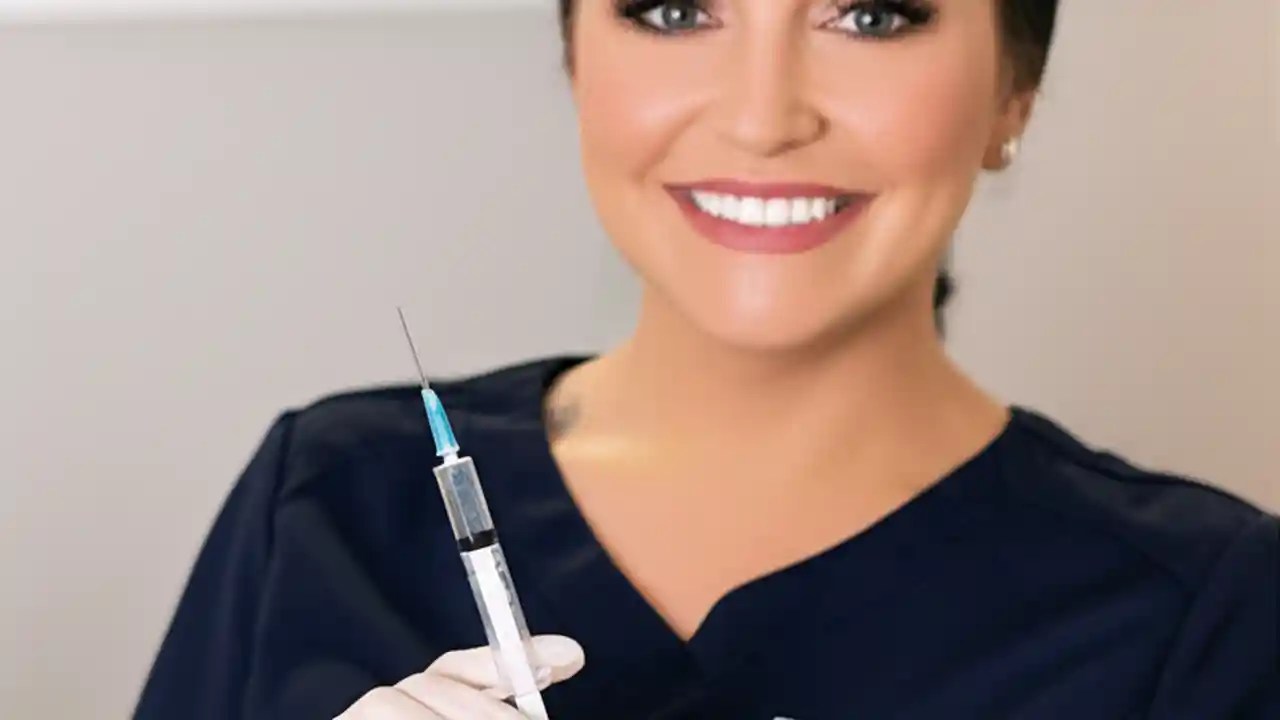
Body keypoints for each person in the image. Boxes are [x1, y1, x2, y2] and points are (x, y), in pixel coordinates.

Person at [134, 1, 1279, 718]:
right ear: (574, 61)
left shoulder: (1212, 608)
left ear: (1011, 94)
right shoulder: (331, 499)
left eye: (870, 15)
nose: (761, 116)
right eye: (675, 10)